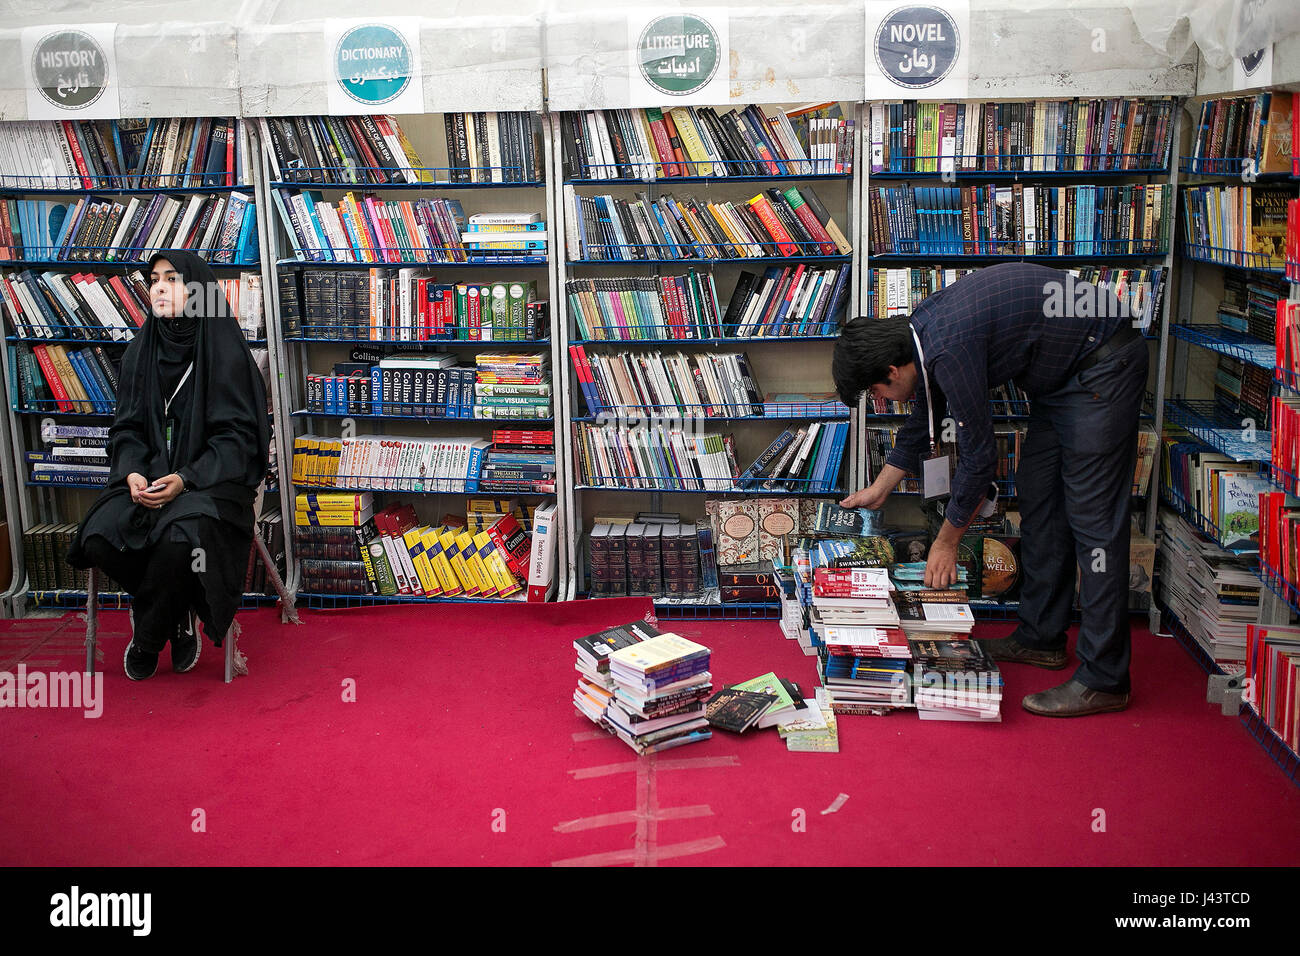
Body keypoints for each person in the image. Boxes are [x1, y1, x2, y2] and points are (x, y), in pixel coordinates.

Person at [833, 262, 1148, 717]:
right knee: (1041, 505)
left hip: (1102, 369)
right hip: (1059, 383)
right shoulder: (921, 336)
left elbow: (980, 457)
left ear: (891, 370)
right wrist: (882, 486)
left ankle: (1106, 678)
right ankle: (1040, 638)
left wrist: (946, 542)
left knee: (1095, 526)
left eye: (878, 392)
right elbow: (924, 415)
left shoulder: (949, 347)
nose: (884, 400)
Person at [67, 250, 270, 680]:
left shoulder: (224, 352)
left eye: (171, 279)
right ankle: (176, 611)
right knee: (100, 537)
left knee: (181, 541)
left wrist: (185, 478)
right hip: (148, 479)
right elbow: (126, 429)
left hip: (213, 485)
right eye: (154, 278)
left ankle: (148, 637)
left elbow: (239, 441)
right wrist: (133, 472)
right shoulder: (142, 351)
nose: (158, 287)